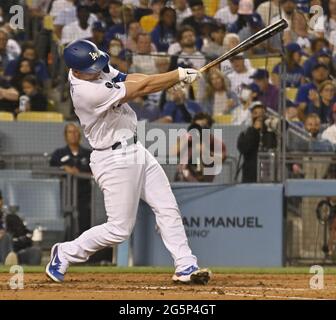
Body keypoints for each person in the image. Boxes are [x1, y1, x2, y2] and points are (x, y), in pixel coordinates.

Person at [46, 39, 210, 284]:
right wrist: (176, 75)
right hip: (112, 158)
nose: (98, 70)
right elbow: (141, 89)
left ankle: (185, 264)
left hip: (135, 148)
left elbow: (129, 78)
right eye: (91, 70)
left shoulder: (91, 66)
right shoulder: (86, 93)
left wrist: (174, 78)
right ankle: (65, 252)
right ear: (76, 72)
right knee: (119, 229)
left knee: (166, 206)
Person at [50, 123, 92, 236]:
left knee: (84, 222)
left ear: (80, 135)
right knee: (67, 223)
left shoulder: (88, 154)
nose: (73, 135)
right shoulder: (58, 153)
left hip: (85, 195)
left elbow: (93, 169)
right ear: (65, 135)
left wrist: (79, 172)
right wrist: (64, 168)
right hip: (65, 195)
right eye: (70, 132)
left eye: (75, 132)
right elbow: (52, 166)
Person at [173, 112, 227, 182]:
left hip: (204, 183)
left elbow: (221, 159)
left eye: (203, 126)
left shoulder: (216, 142)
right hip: (183, 182)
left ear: (209, 127)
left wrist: (206, 152)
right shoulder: (186, 138)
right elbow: (175, 152)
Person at [237, 101, 277, 183]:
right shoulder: (246, 133)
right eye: (255, 113)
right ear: (251, 115)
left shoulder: (271, 133)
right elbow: (243, 148)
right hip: (250, 175)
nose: (259, 116)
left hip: (268, 173)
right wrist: (254, 130)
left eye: (261, 113)